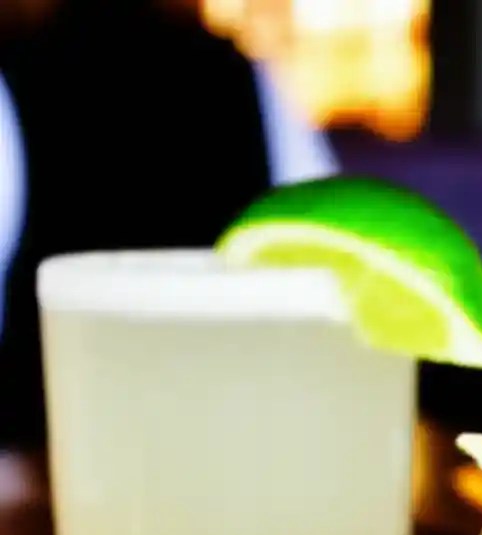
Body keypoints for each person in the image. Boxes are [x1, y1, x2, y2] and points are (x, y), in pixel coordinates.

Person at [0, 0, 338, 450]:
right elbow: (324, 263)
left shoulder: (17, 71)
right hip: (231, 443)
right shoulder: (243, 76)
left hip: (61, 467)